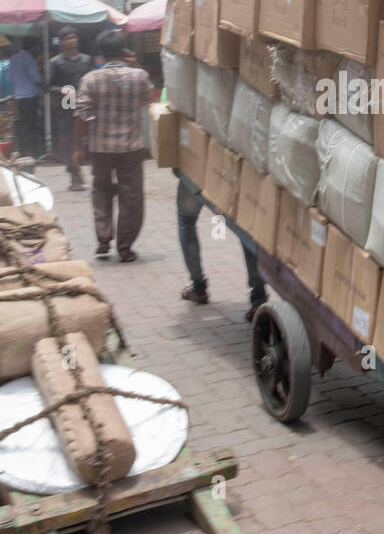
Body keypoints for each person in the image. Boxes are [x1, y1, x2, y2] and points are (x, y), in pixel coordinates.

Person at [73, 30, 153, 263]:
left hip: (100, 147)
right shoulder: (138, 75)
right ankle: (125, 247)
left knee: (101, 190)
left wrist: (78, 147)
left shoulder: (90, 79)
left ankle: (104, 238)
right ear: (124, 50)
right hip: (131, 147)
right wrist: (136, 64)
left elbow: (80, 114)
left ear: (101, 54)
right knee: (132, 197)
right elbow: (148, 96)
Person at [175, 169, 268, 320]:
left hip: (195, 168)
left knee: (186, 221)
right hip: (228, 170)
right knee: (245, 228)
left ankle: (198, 287)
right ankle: (258, 297)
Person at [48, 26, 93, 191]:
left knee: (87, 139)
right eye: (67, 38)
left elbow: (92, 79)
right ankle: (74, 174)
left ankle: (86, 170)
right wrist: (62, 90)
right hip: (66, 104)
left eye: (73, 37)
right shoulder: (55, 62)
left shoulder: (86, 60)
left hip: (85, 102)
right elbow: (48, 86)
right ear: (61, 43)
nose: (71, 40)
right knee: (69, 141)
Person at [9, 36, 43, 158]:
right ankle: (31, 153)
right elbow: (36, 78)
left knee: (21, 126)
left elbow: (11, 77)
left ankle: (22, 151)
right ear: (33, 47)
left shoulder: (13, 58)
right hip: (30, 96)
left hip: (18, 96)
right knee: (30, 126)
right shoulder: (29, 59)